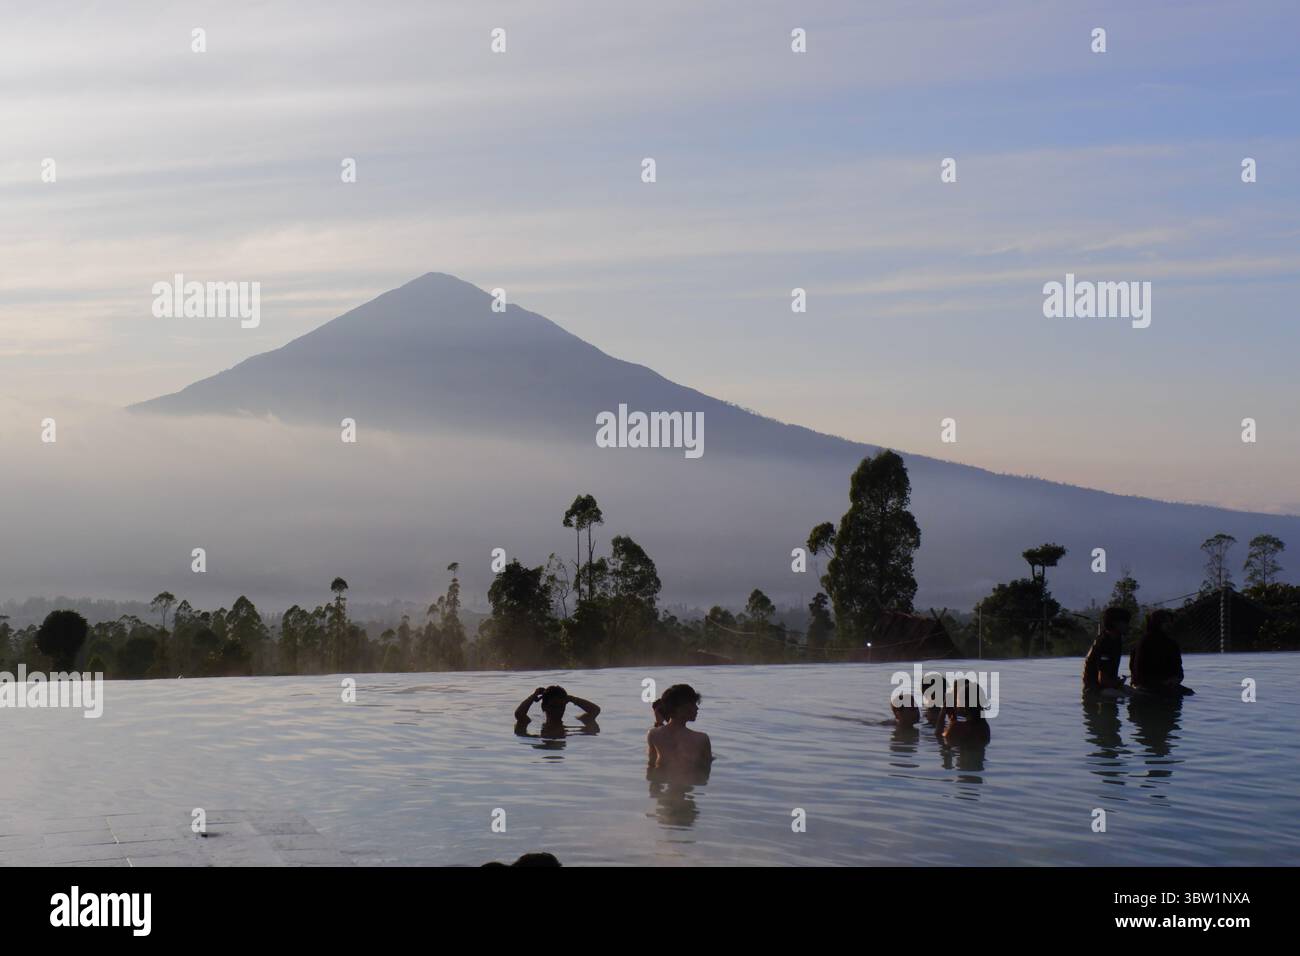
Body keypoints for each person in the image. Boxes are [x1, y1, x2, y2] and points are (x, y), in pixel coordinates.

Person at [646, 684, 712, 773]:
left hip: (664, 779)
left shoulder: (653, 734)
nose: (697, 708)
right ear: (682, 708)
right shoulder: (701, 739)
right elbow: (705, 772)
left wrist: (659, 722)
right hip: (690, 782)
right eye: (693, 704)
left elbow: (651, 770)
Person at [1130, 609, 1194, 696]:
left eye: (1170, 622)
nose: (1169, 624)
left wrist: (1175, 679)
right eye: (1165, 622)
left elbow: (1178, 669)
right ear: (1157, 623)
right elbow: (1138, 671)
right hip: (1147, 686)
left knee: (1189, 693)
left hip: (1166, 685)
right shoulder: (1144, 643)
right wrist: (1160, 683)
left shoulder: (1172, 645)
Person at [514, 685, 600, 738]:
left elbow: (595, 710)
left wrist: (571, 698)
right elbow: (519, 714)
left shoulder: (575, 721)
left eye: (561, 706)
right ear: (544, 707)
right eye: (554, 706)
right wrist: (533, 696)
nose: (558, 710)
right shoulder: (533, 723)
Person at [1082, 606, 1131, 694]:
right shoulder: (1104, 643)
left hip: (1105, 687)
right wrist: (1117, 683)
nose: (1128, 626)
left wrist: (1116, 681)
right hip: (1095, 691)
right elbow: (1103, 681)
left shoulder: (1116, 639)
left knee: (1134, 694)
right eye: (1126, 622)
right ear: (1115, 623)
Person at [942, 678, 991, 745]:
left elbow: (944, 746)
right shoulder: (985, 727)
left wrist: (943, 712)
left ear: (965, 706)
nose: (956, 705)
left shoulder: (958, 727)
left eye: (958, 703)